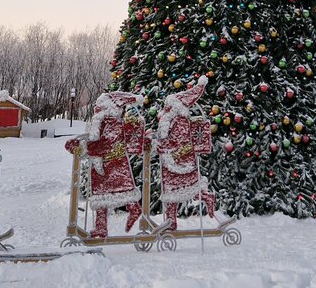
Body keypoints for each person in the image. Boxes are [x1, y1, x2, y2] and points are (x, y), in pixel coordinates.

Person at [66, 91, 146, 239]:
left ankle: (134, 209)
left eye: (99, 105)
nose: (96, 107)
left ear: (108, 107)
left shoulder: (113, 124)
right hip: (102, 167)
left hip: (114, 166)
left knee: (122, 192)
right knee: (101, 198)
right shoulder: (99, 122)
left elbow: (105, 143)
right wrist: (80, 145)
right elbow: (93, 139)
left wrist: (85, 147)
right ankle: (101, 228)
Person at [156, 76, 215, 231]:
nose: (166, 108)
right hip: (170, 163)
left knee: (191, 188)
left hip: (181, 162)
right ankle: (171, 221)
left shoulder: (179, 121)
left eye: (168, 106)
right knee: (170, 194)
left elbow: (177, 141)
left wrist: (161, 147)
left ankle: (207, 198)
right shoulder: (168, 120)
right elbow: (164, 137)